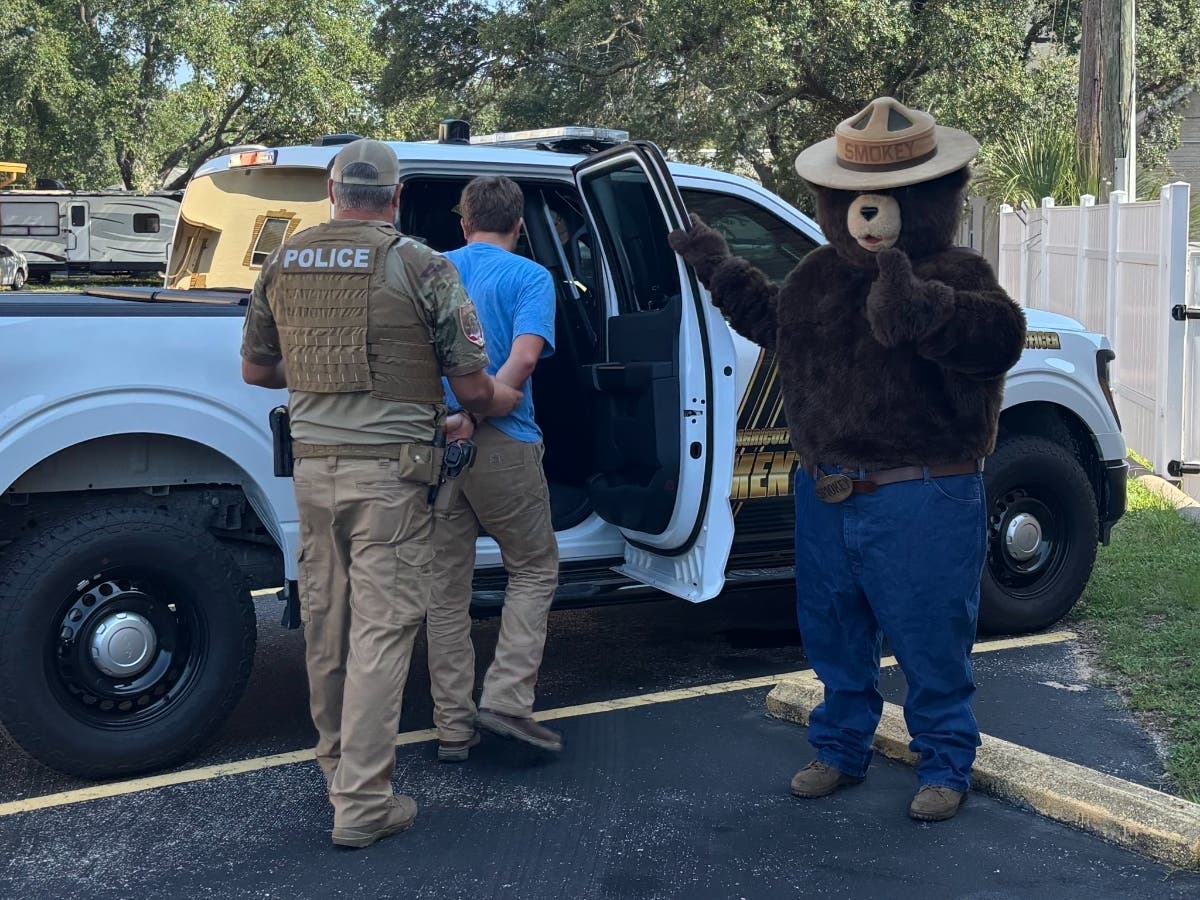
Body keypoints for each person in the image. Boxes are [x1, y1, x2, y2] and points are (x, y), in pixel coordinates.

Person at [669, 98, 1026, 822]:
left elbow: (999, 339)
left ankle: (946, 763)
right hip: (828, 488)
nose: (871, 213)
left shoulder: (961, 272)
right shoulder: (815, 277)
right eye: (857, 199)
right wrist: (715, 264)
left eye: (890, 200)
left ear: (930, 198)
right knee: (834, 631)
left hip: (925, 491)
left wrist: (925, 309)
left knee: (931, 636)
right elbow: (775, 322)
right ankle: (839, 748)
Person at [240, 140, 521, 848]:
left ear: (333, 194)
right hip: (393, 476)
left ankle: (337, 768)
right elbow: (470, 386)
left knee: (328, 623)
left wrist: (317, 374)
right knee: (382, 631)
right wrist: (490, 399)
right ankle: (363, 803)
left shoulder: (284, 260)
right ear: (396, 199)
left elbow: (256, 371)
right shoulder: (421, 265)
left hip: (313, 471)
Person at [425, 175, 562, 761]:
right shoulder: (531, 276)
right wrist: (480, 413)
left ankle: (453, 729)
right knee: (532, 568)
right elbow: (524, 360)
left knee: (445, 593)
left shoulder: (429, 271)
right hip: (504, 442)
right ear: (520, 224)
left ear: (463, 221)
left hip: (435, 447)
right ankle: (507, 698)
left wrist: (452, 418)